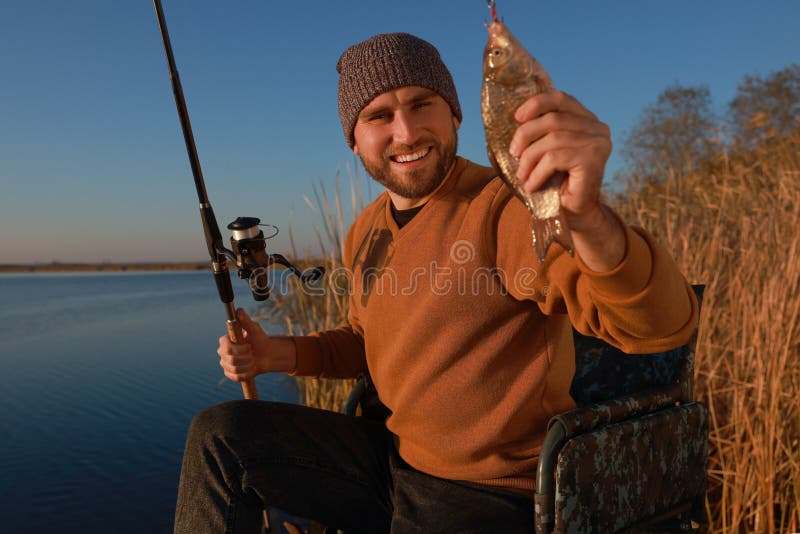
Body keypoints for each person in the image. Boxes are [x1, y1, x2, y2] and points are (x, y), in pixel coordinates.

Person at [173, 33, 698, 533]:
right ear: (354, 142)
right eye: (379, 116)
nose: (406, 132)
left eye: (422, 104)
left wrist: (589, 221)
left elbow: (658, 326)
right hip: (392, 459)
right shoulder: (365, 231)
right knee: (222, 436)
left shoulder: (505, 209)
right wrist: (275, 354)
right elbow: (364, 344)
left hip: (486, 491)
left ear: (455, 114)